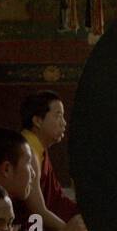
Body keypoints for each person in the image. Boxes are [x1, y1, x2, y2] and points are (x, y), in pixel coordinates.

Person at [20, 91, 79, 222]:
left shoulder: (38, 147)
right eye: (58, 116)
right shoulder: (27, 152)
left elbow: (55, 200)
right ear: (37, 121)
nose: (64, 123)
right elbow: (37, 212)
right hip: (30, 230)